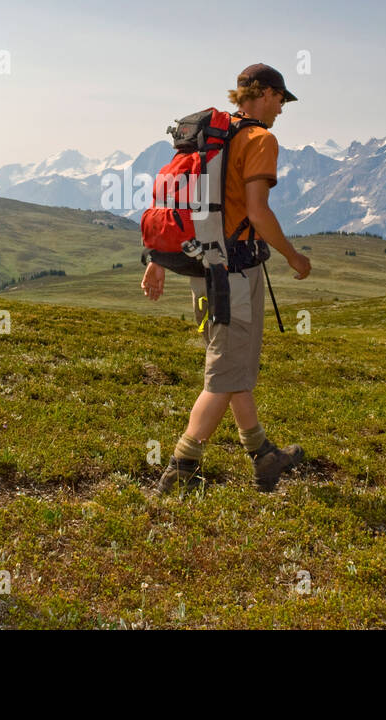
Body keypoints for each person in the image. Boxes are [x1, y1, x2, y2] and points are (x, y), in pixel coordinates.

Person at [142, 63, 312, 493]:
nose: (282, 108)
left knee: (232, 366)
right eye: (280, 99)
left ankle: (263, 455)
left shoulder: (210, 140)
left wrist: (158, 257)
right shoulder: (259, 139)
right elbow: (258, 211)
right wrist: (293, 256)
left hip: (203, 271)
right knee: (222, 377)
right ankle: (181, 468)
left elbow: (180, 205)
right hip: (236, 273)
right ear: (265, 93)